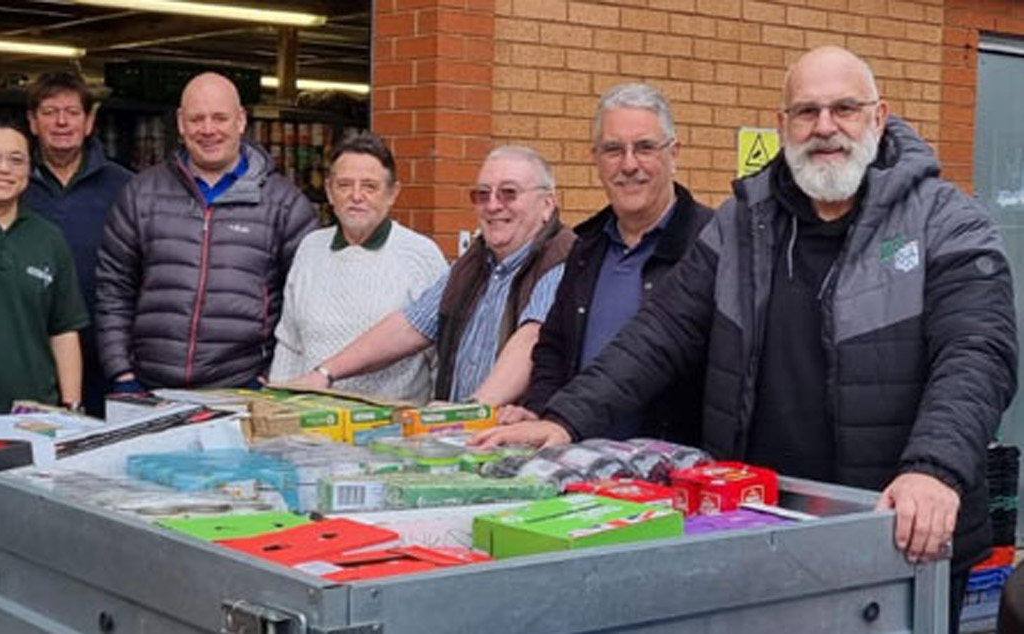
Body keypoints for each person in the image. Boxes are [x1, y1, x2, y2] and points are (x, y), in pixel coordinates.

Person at [474, 46, 1016, 631]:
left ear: (879, 117)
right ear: (781, 125)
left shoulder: (945, 219)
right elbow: (658, 333)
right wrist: (566, 419)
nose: (825, 128)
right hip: (766, 528)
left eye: (844, 109)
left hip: (896, 533)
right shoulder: (742, 223)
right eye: (806, 112)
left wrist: (934, 469)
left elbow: (977, 354)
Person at [505, 83, 713, 441]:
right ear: (595, 160)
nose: (629, 164)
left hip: (670, 473)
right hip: (580, 464)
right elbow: (553, 347)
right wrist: (543, 413)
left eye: (645, 148)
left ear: (674, 153)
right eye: (613, 150)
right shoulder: (586, 247)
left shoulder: (710, 244)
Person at [287, 146, 573, 405]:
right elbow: (411, 324)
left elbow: (531, 340)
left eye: (509, 193)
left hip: (522, 448)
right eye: (482, 194)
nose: (493, 205)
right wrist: (326, 372)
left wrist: (470, 411)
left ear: (547, 204)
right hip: (466, 441)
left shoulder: (562, 259)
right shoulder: (472, 264)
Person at [96, 72, 316, 390]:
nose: (208, 130)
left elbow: (303, 303)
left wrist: (270, 377)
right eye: (197, 119)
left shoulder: (285, 204)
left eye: (220, 118)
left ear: (240, 120)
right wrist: (122, 373)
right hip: (148, 390)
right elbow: (113, 289)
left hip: (242, 391)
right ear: (181, 124)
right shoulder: (141, 194)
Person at [268, 132, 446, 401]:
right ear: (329, 191)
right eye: (344, 185)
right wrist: (278, 408)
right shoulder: (310, 249)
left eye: (370, 187)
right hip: (313, 423)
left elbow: (440, 357)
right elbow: (290, 345)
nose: (356, 196)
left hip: (393, 429)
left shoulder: (421, 256)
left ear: (392, 194)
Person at [0, 118, 89, 413]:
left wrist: (71, 407)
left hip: (36, 412)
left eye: (17, 160)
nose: (4, 169)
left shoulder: (47, 237)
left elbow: (64, 329)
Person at [22, 72, 133, 417]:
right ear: (32, 122)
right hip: (30, 349)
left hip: (106, 353)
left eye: (71, 112)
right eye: (49, 111)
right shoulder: (12, 183)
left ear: (89, 122)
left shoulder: (125, 187)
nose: (61, 121)